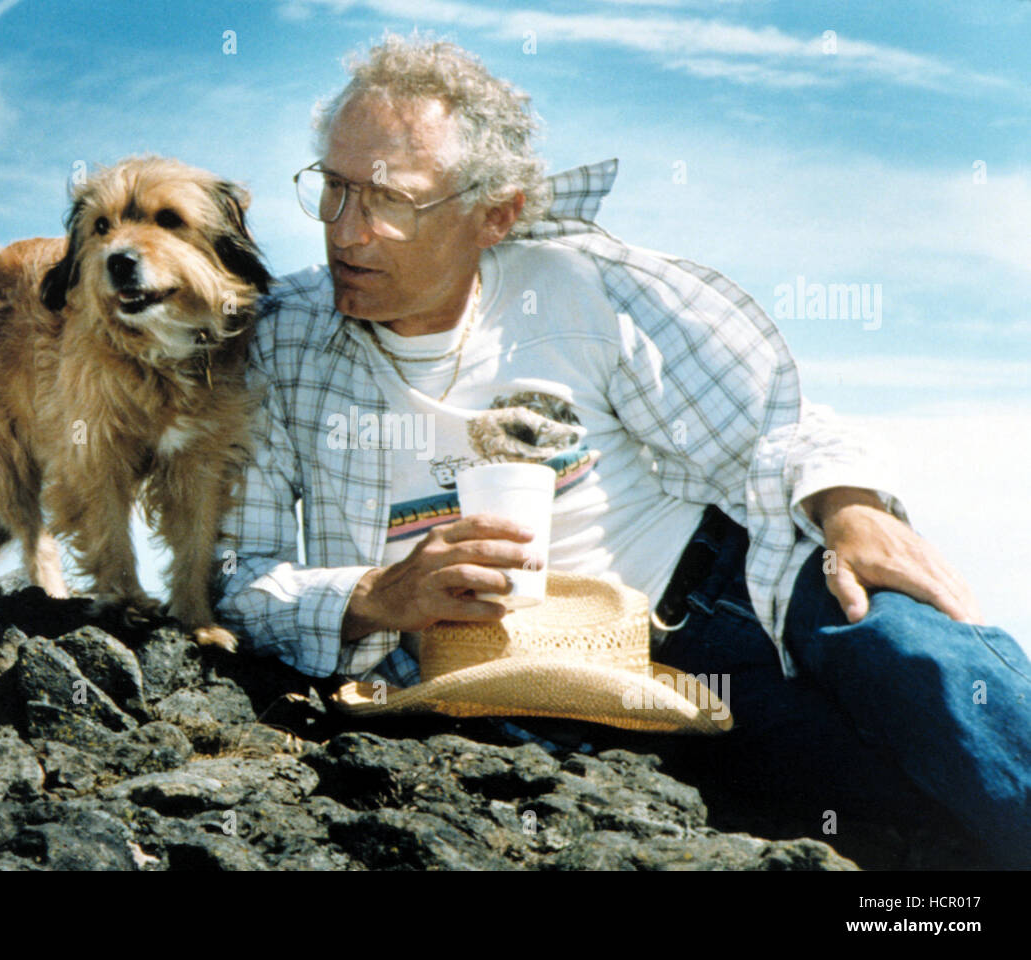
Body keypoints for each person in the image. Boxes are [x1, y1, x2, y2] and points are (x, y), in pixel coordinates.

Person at [213, 33, 1031, 867]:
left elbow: (777, 426)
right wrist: (380, 595)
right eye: (334, 190)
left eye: (389, 200)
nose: (345, 232)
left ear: (493, 214)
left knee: (915, 659)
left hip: (721, 613)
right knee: (879, 803)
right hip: (525, 686)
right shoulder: (281, 345)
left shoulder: (574, 286)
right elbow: (240, 580)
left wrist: (853, 508)